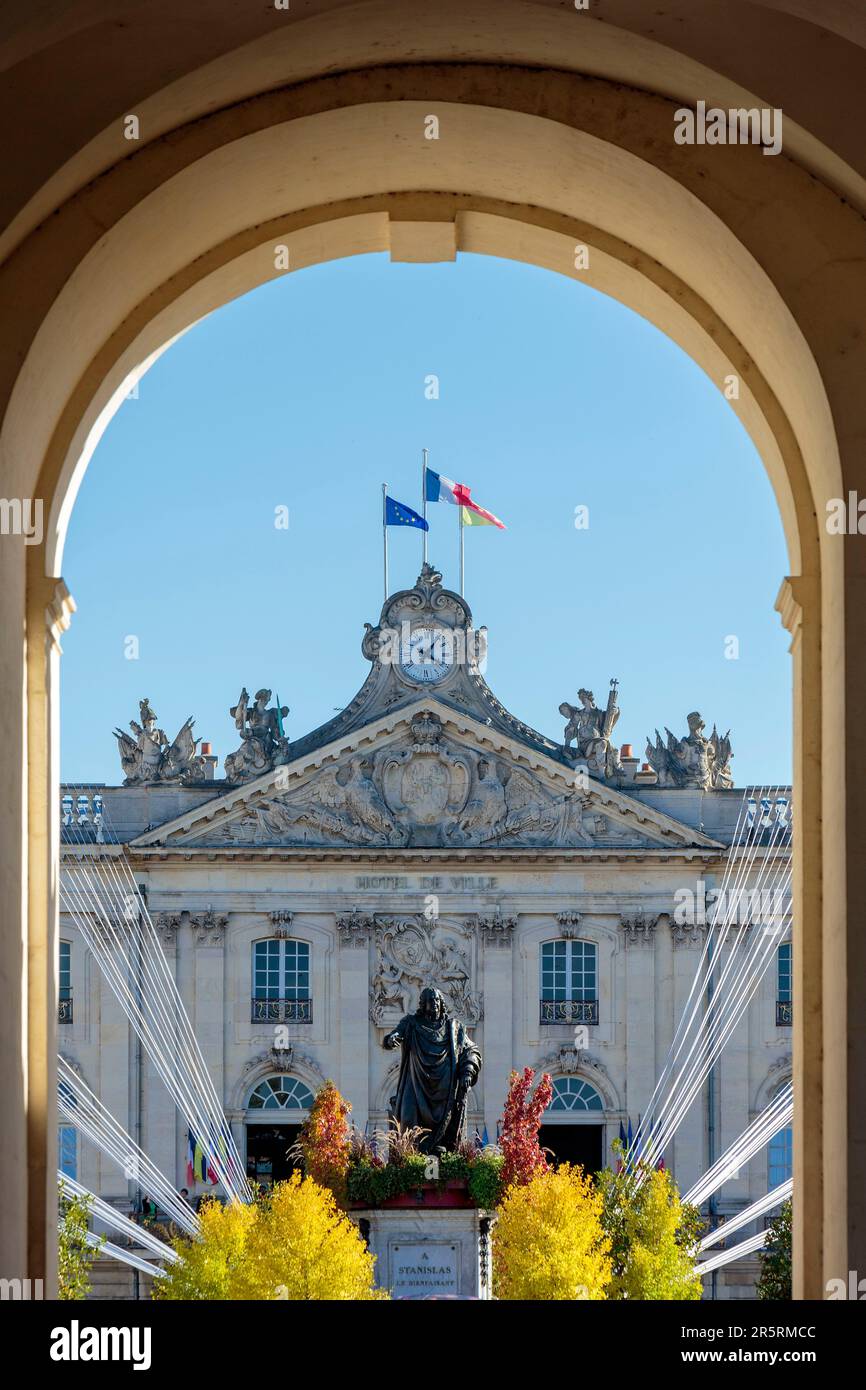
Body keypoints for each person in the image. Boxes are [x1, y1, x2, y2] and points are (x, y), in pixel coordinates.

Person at [383, 986, 481, 1154]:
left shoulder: (454, 1028)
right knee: (406, 1119)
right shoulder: (411, 1023)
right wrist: (392, 1039)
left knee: (444, 1134)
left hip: (445, 1086)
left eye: (436, 1000)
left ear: (442, 1003)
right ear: (423, 1004)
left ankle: (438, 1156)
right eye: (429, 1000)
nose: (434, 1004)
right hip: (415, 1081)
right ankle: (408, 1161)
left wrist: (468, 1071)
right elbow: (394, 1036)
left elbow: (471, 1050)